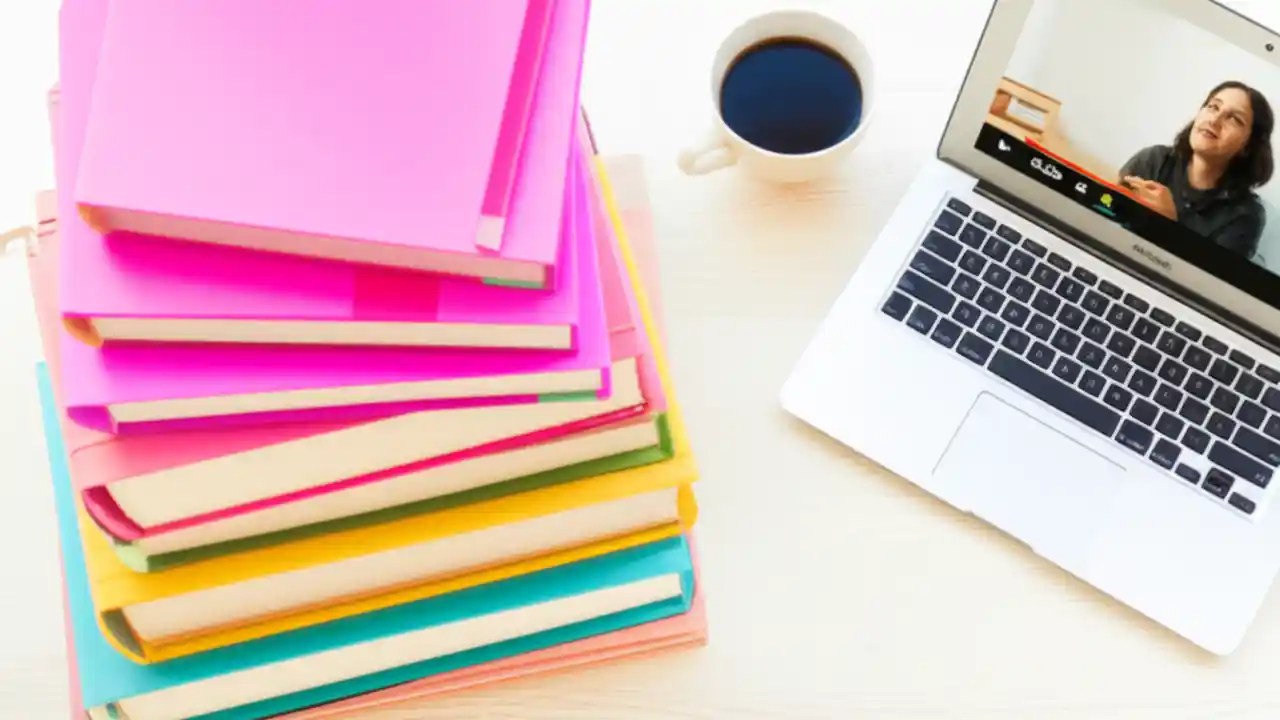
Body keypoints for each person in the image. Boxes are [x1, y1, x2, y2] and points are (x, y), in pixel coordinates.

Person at [1118, 80, 1274, 260]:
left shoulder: (1245, 216)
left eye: (1234, 118)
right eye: (1213, 107)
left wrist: (1168, 228)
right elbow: (1106, 211)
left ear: (1247, 146)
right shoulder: (1154, 159)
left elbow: (1209, 282)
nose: (1214, 120)